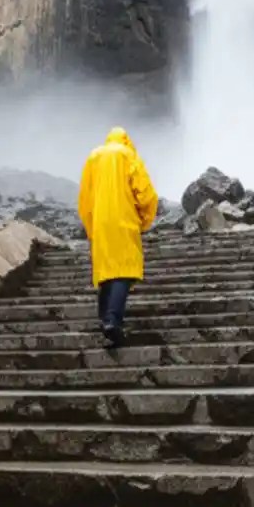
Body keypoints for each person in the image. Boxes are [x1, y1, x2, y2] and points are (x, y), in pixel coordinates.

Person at [77, 127, 159, 348]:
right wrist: (145, 220)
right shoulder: (127, 155)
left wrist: (91, 227)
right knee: (123, 271)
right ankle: (113, 321)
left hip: (101, 223)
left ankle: (104, 319)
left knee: (106, 272)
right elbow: (145, 193)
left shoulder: (94, 157)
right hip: (124, 220)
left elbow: (85, 198)